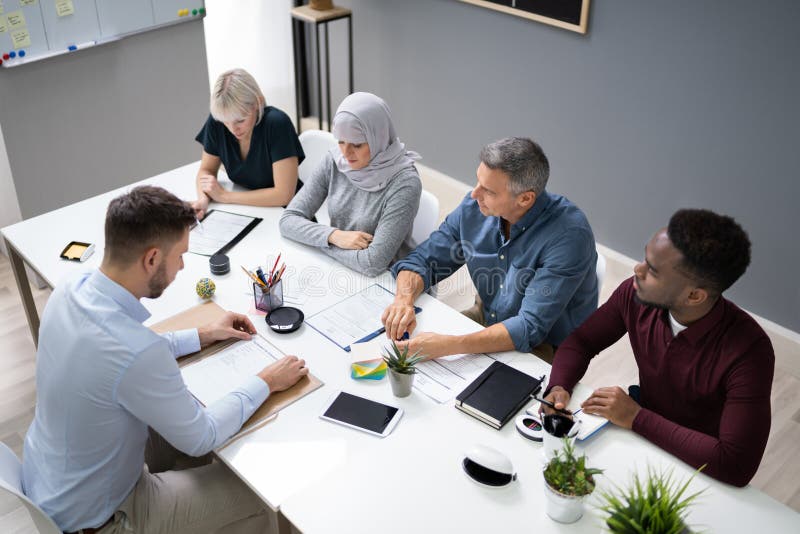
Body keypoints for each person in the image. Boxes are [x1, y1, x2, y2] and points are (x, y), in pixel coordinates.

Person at [22, 186, 308, 533]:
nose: (183, 265)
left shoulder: (71, 289)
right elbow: (201, 436)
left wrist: (201, 335)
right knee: (263, 485)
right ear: (152, 259)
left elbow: (119, 354)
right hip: (107, 520)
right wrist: (267, 381)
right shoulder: (136, 351)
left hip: (52, 483)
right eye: (181, 255)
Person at [543, 209, 774, 487]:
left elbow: (736, 464)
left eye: (652, 270)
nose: (636, 270)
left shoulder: (750, 352)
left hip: (698, 469)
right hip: (638, 439)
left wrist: (637, 417)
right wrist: (559, 386)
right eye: (645, 258)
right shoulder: (634, 293)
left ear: (694, 295)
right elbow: (582, 342)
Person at [382, 137, 598, 360]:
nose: (474, 194)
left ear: (525, 198)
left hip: (543, 348)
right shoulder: (475, 207)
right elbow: (423, 260)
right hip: (487, 316)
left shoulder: (569, 237)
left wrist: (447, 346)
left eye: (489, 191)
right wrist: (403, 300)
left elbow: (528, 327)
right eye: (477, 182)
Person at [279, 92, 422, 276]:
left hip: (390, 280)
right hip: (342, 269)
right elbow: (288, 220)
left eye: (357, 144)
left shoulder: (405, 183)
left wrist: (318, 241)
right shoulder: (335, 161)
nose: (346, 153)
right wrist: (334, 236)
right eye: (341, 141)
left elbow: (372, 264)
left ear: (377, 137)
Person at [193, 68, 305, 218]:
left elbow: (284, 195)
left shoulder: (277, 124)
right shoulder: (217, 121)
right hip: (249, 211)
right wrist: (203, 199)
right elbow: (206, 171)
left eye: (240, 120)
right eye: (226, 122)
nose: (233, 129)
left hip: (288, 213)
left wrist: (225, 196)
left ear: (257, 103)